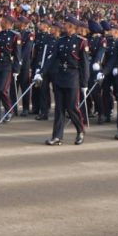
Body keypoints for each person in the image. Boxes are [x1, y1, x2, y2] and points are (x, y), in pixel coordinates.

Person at [38, 16, 89, 146]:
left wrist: (84, 83)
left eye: (65, 24)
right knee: (59, 109)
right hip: (60, 77)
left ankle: (80, 131)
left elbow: (84, 65)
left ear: (72, 26)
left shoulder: (81, 42)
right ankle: (57, 136)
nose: (63, 26)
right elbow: (51, 58)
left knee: (72, 108)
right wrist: (41, 72)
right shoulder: (60, 40)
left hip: (73, 77)